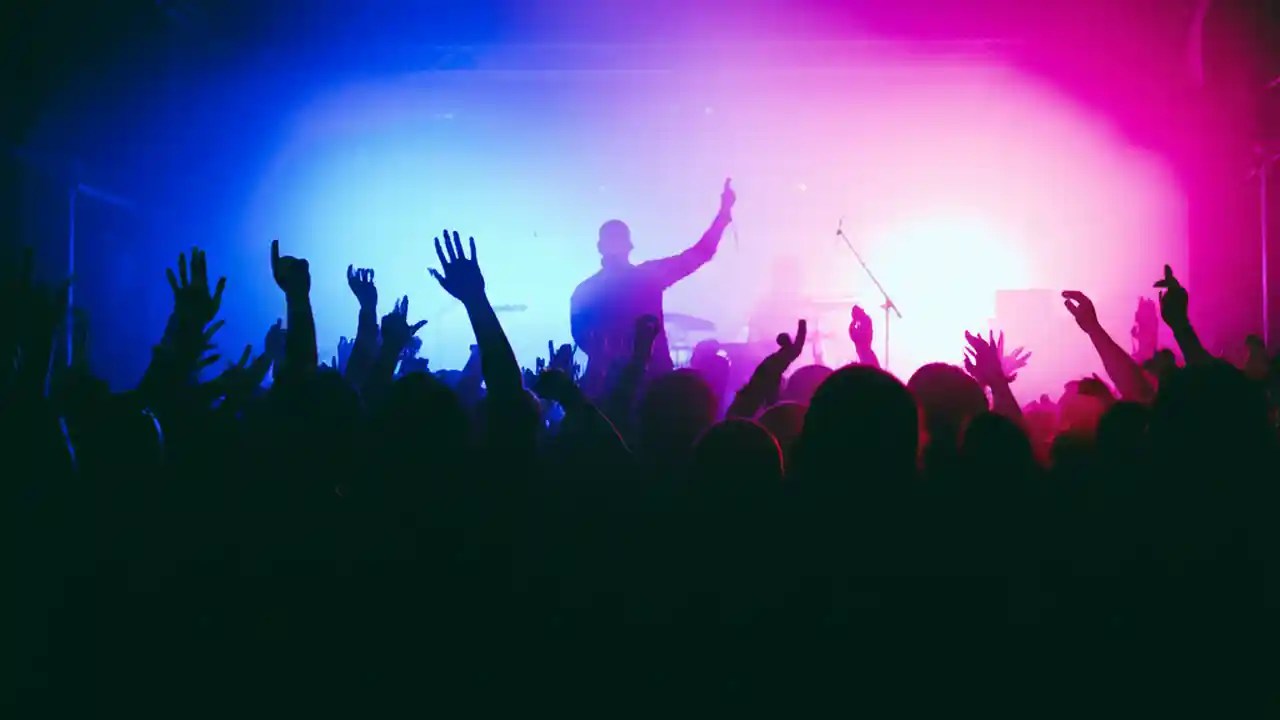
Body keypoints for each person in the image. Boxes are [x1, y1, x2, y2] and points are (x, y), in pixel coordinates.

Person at [570, 179, 736, 395]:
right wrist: (723, 215)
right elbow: (700, 254)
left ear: (600, 248)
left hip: (605, 389)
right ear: (629, 247)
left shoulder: (585, 291)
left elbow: (582, 338)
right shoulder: (648, 277)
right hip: (651, 386)